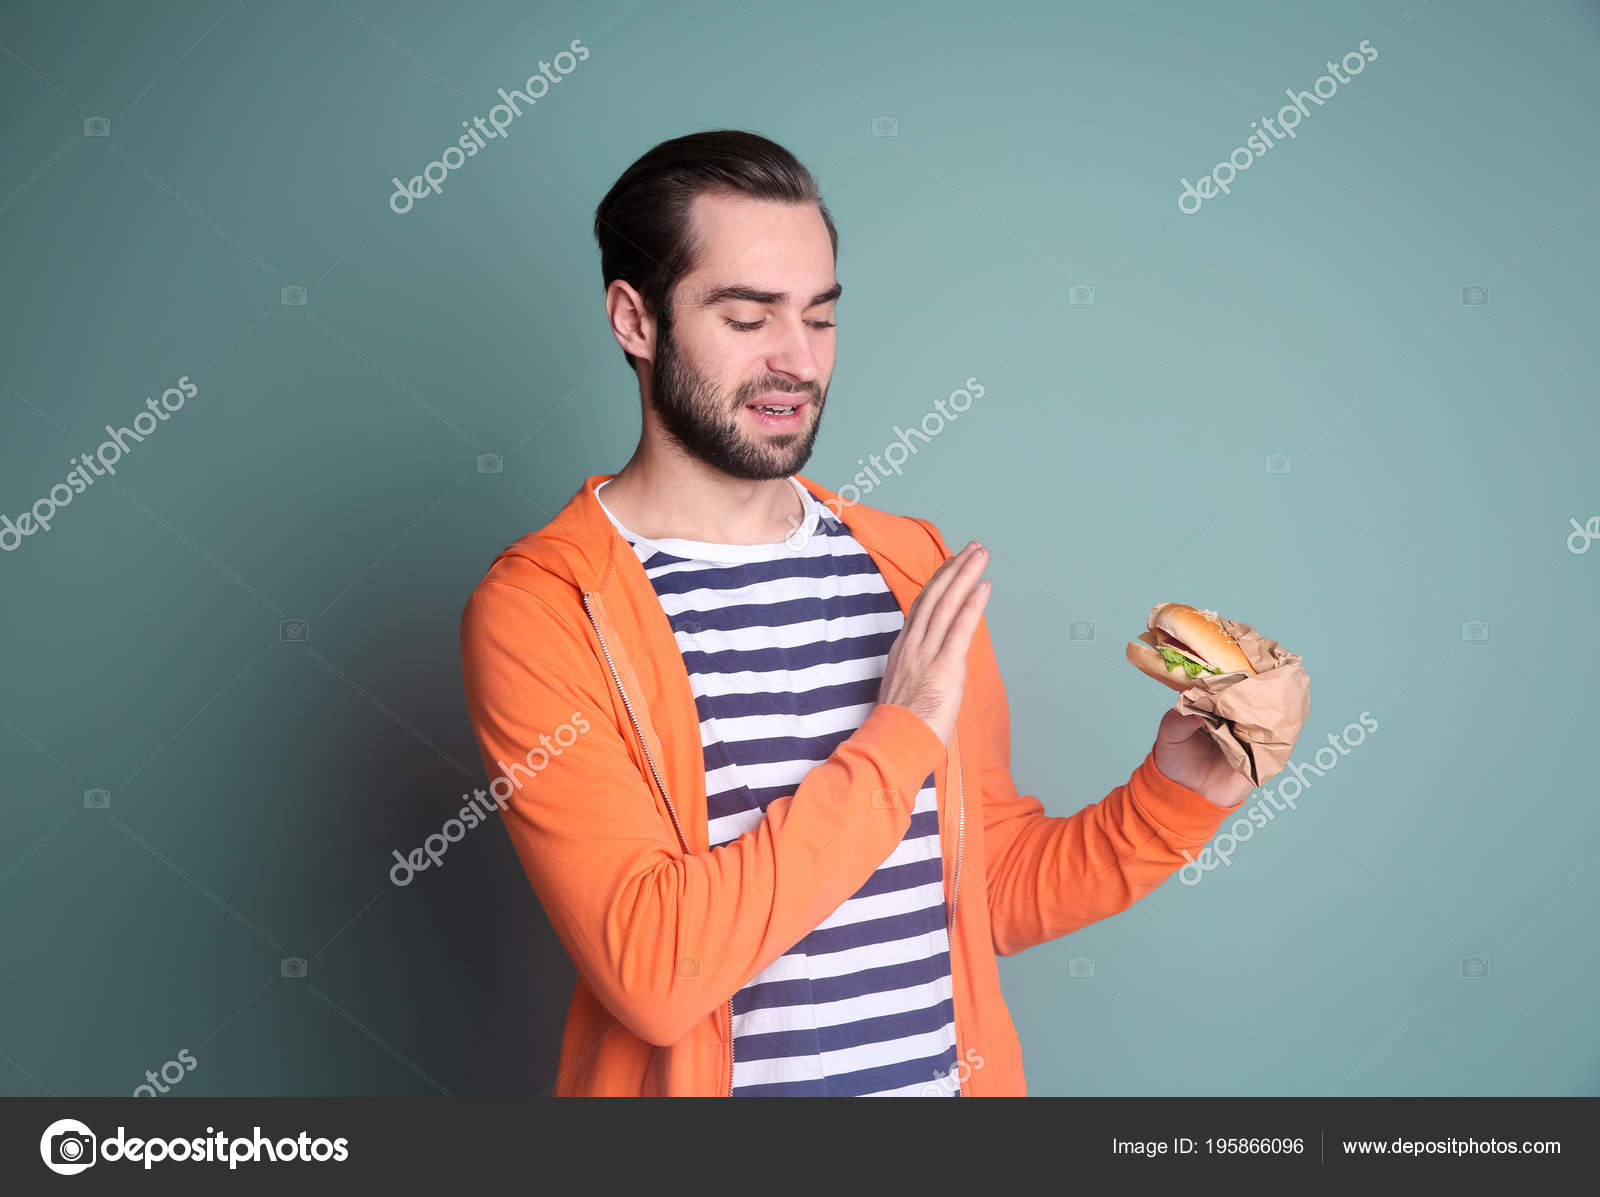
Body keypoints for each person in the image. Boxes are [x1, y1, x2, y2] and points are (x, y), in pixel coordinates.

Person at [459, 130, 1253, 1097]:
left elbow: (987, 888)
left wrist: (1183, 788)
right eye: (748, 318)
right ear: (636, 319)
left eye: (820, 317)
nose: (797, 360)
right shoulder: (546, 607)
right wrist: (903, 729)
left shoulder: (909, 562)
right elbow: (659, 971)